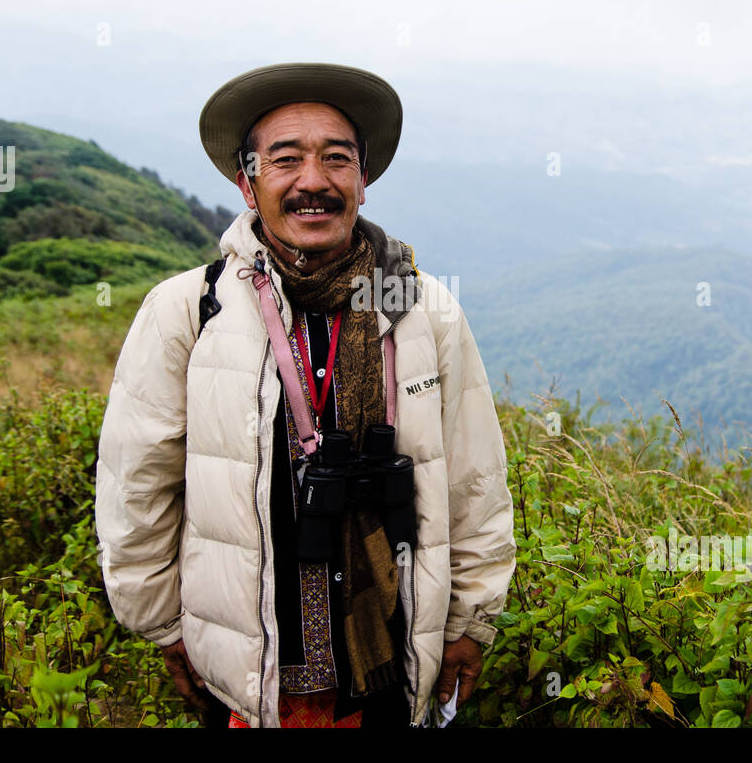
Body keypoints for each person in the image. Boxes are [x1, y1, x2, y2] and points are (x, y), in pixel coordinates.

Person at [94, 62, 516, 728]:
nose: (313, 181)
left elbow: (474, 479)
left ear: (363, 180)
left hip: (387, 670)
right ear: (247, 179)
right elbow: (136, 483)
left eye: (336, 159)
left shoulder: (419, 309)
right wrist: (162, 625)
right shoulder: (189, 310)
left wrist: (471, 621)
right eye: (285, 159)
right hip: (248, 679)